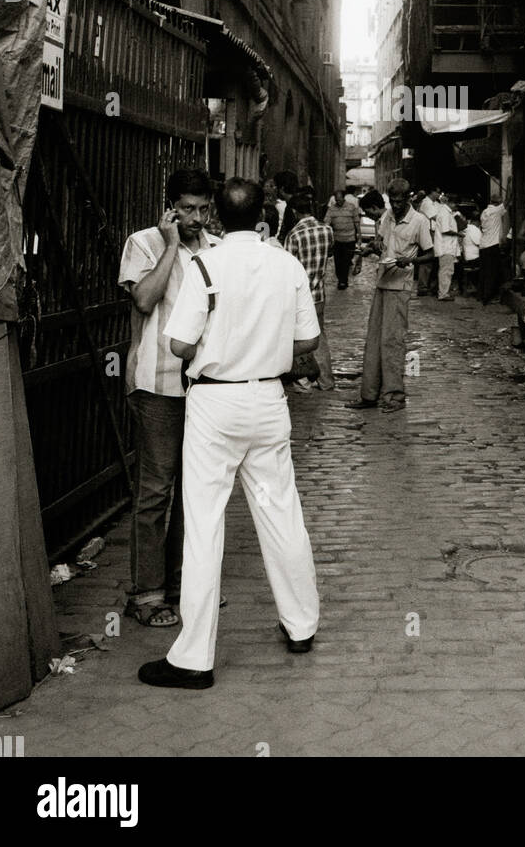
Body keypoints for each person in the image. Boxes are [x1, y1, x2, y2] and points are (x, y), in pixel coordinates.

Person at [137, 178, 321, 690]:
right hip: (268, 401)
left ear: (216, 215)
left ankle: (194, 658)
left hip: (216, 404)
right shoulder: (286, 263)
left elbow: (177, 346)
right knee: (281, 512)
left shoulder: (205, 266)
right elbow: (309, 338)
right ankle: (301, 624)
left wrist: (221, 345)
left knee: (203, 523)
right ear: (262, 213)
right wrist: (265, 344)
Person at [118, 168, 219, 629]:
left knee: (193, 493)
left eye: (203, 209)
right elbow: (143, 300)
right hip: (156, 385)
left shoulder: (218, 250)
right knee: (155, 491)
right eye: (188, 209)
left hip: (202, 388)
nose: (196, 218)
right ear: (171, 207)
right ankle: (146, 594)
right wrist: (173, 245)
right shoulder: (143, 243)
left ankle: (182, 589)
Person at [346, 178, 433, 413]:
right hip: (382, 281)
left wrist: (410, 260)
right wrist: (369, 249)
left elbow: (430, 253)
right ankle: (370, 394)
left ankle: (395, 395)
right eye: (392, 201)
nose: (395, 205)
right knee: (374, 340)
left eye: (399, 201)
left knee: (392, 341)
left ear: (407, 199)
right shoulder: (387, 217)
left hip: (400, 286)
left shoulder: (419, 221)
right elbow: (380, 243)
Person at [285, 191, 335, 391]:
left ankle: (303, 379)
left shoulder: (294, 235)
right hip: (319, 293)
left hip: (299, 295)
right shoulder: (327, 230)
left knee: (299, 337)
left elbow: (287, 268)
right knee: (319, 336)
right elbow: (329, 253)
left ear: (296, 212)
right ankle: (326, 380)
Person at [324, 186, 362, 289]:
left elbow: (357, 222)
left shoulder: (351, 207)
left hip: (349, 239)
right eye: (336, 200)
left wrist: (359, 237)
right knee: (338, 262)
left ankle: (343, 281)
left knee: (346, 261)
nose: (338, 202)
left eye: (340, 200)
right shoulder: (332, 209)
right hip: (337, 240)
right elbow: (326, 222)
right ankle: (341, 279)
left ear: (343, 198)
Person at [479, 188, 508, 305]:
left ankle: (482, 295)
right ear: (498, 203)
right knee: (492, 273)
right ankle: (488, 297)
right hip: (492, 245)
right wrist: (510, 186)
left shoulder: (484, 212)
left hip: (483, 245)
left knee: (484, 272)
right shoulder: (496, 212)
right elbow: (508, 201)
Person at [433, 192, 459, 300]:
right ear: (451, 203)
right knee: (446, 271)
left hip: (447, 246)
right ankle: (443, 293)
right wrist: (458, 233)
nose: (456, 207)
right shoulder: (444, 213)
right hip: (445, 246)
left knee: (447, 270)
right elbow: (445, 230)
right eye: (455, 204)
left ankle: (444, 292)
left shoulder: (447, 212)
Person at [416, 186, 441, 296]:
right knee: (427, 260)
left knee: (435, 260)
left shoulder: (436, 203)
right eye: (437, 192)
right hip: (428, 232)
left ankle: (431, 286)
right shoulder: (426, 203)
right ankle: (422, 287)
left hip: (436, 232)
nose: (439, 195)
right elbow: (437, 217)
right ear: (432, 191)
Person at [461, 211, 482, 296]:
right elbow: (479, 243)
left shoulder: (466, 228)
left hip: (467, 257)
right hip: (473, 258)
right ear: (478, 221)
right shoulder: (474, 229)